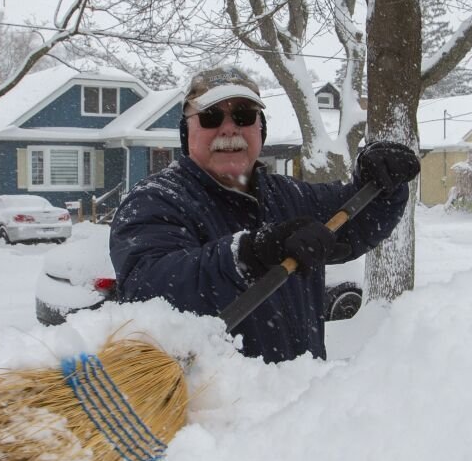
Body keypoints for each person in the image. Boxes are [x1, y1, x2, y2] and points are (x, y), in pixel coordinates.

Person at [110, 66, 422, 362]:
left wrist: (379, 177)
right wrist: (250, 254)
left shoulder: (290, 196)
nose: (229, 128)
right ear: (185, 133)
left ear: (261, 129)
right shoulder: (157, 200)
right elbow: (148, 287)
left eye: (244, 116)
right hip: (217, 411)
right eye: (210, 117)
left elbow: (357, 220)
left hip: (303, 403)